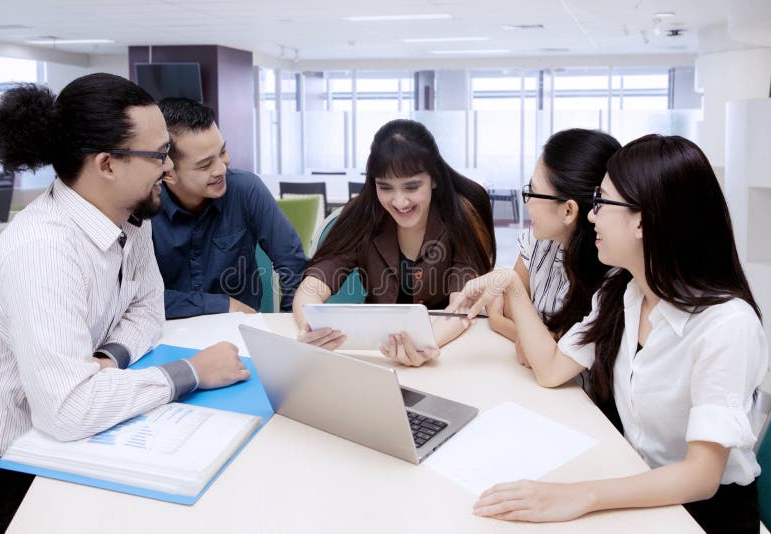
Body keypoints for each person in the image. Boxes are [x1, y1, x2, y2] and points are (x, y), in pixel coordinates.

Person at [0, 74, 249, 533]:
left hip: (68, 446)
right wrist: (193, 372)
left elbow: (147, 308)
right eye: (160, 155)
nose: (170, 169)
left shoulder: (130, 215)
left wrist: (106, 358)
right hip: (9, 468)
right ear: (106, 165)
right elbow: (68, 410)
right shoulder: (44, 250)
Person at [454, 134, 768, 532]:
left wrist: (581, 495)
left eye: (602, 203)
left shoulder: (726, 325)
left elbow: (702, 476)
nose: (591, 216)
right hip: (636, 487)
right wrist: (511, 287)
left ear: (643, 219)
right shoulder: (623, 291)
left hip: (701, 515)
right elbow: (551, 369)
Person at [293, 119, 496, 367]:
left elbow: (461, 306)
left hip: (446, 350)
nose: (399, 202)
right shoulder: (364, 214)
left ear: (434, 179)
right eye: (385, 187)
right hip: (375, 356)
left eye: (412, 187)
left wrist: (427, 343)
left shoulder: (459, 215)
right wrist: (310, 327)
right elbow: (312, 286)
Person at [151, 97, 307, 319]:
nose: (221, 168)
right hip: (166, 332)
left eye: (222, 152)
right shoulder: (144, 209)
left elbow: (293, 265)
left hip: (240, 331)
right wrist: (218, 304)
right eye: (205, 165)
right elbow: (137, 298)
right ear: (167, 172)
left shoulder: (246, 189)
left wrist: (287, 326)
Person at [487, 129, 620, 350]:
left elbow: (555, 351)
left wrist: (499, 323)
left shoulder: (612, 276)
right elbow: (511, 303)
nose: (526, 202)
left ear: (568, 211)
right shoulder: (538, 238)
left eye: (533, 192)